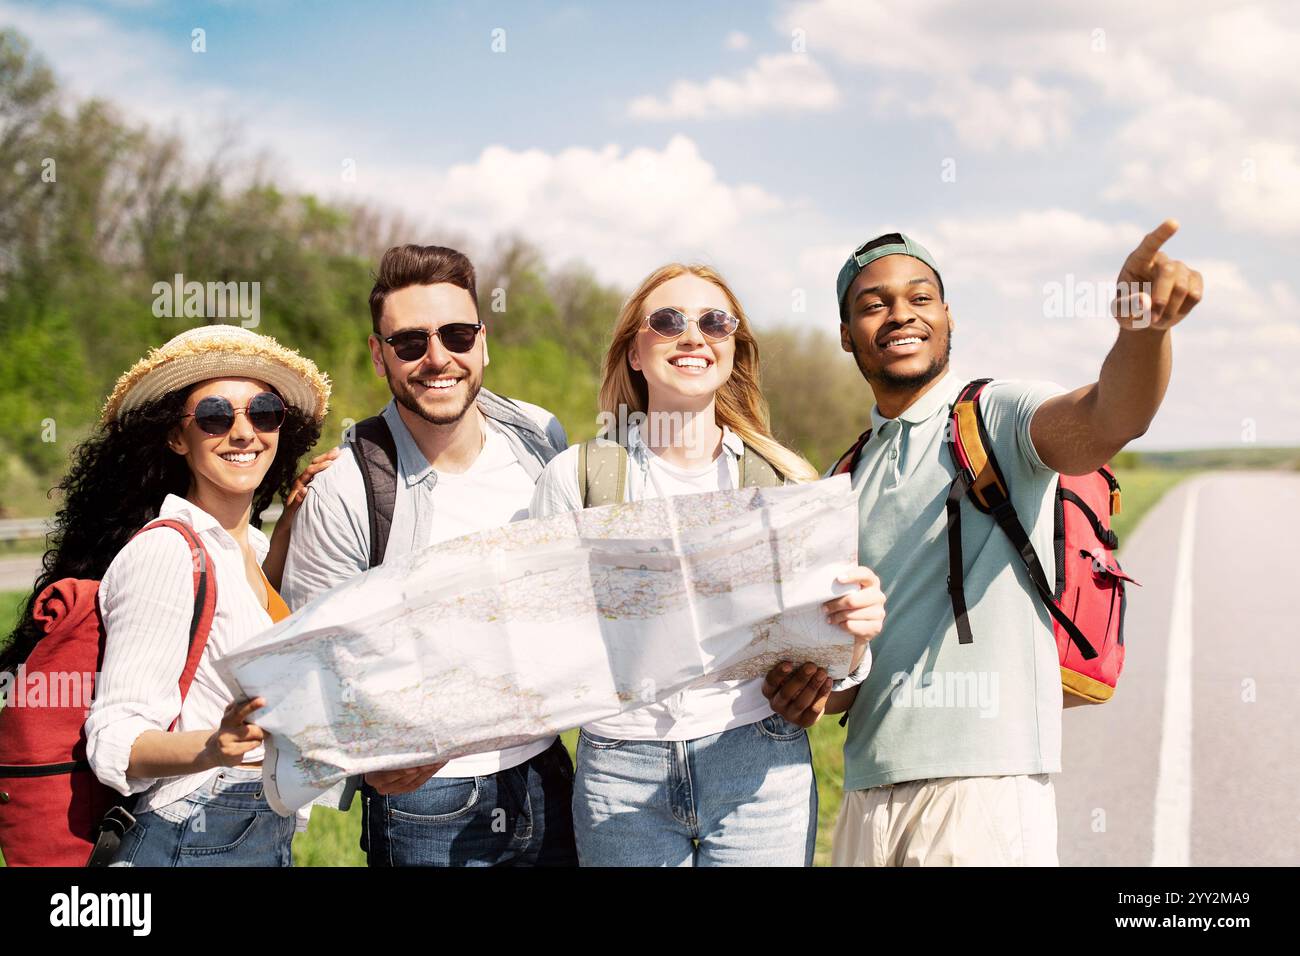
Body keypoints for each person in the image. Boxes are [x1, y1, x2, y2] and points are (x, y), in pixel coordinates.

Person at [764, 223, 1203, 866]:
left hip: (983, 787)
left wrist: (1145, 331)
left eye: (920, 298)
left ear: (947, 318)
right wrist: (811, 693)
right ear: (844, 333)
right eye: (873, 304)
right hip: (866, 789)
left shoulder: (992, 416)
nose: (899, 315)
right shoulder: (844, 475)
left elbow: (1111, 417)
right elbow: (855, 675)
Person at [530, 263, 885, 867]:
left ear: (732, 349)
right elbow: (535, 635)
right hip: (620, 767)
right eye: (667, 321)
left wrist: (854, 636)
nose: (693, 336)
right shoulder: (576, 477)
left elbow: (839, 663)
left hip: (759, 763)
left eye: (715, 322)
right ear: (635, 354)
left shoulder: (787, 482)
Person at [281, 244, 576, 867]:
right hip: (427, 803)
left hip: (548, 774)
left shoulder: (541, 439)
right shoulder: (347, 486)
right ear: (378, 354)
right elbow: (313, 658)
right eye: (410, 343)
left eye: (458, 334)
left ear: (483, 341)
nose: (438, 358)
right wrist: (379, 754)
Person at [0, 324, 332, 866]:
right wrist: (213, 744)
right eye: (216, 416)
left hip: (254, 829)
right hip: (193, 839)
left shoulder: (246, 547)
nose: (244, 432)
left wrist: (292, 524)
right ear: (177, 437)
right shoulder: (166, 555)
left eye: (264, 412)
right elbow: (114, 739)